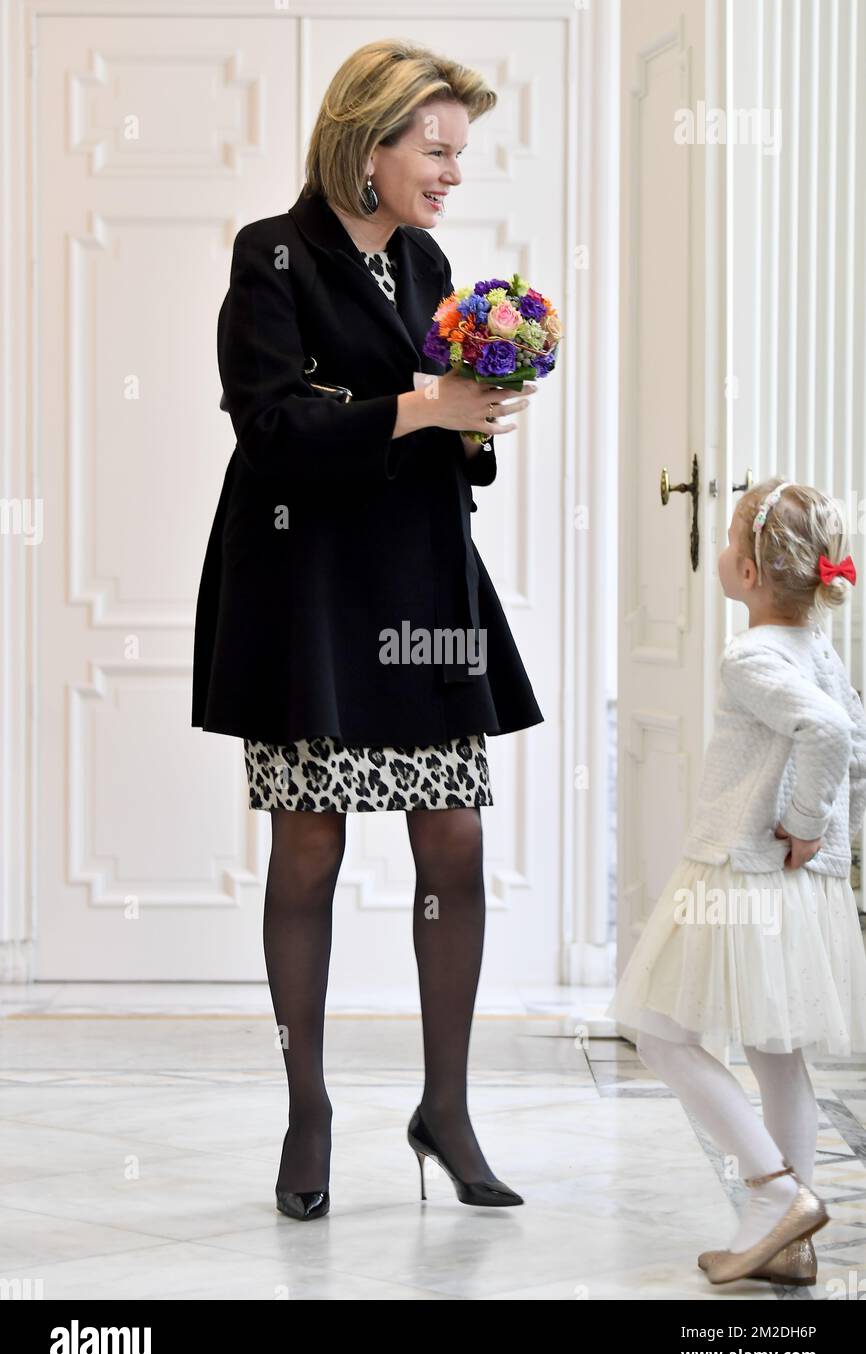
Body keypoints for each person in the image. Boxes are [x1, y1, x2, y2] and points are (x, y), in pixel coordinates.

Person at [191, 40, 544, 1219]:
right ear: (369, 143)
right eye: (433, 149)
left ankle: (444, 1110)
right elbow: (274, 428)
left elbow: (426, 439)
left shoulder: (427, 258)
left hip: (425, 586)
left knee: (454, 844)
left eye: (457, 153)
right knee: (310, 848)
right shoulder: (271, 254)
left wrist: (472, 421)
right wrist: (421, 406)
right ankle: (308, 1109)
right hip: (310, 598)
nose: (450, 174)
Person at [605, 477, 866, 1285]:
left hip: (735, 870)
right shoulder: (819, 650)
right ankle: (788, 1242)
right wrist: (819, 831)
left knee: (659, 1032)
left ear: (750, 573)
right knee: (777, 1050)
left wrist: (804, 822)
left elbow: (827, 733)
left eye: (725, 541)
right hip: (796, 884)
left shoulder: (749, 654)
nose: (718, 554)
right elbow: (849, 739)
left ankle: (772, 1190)